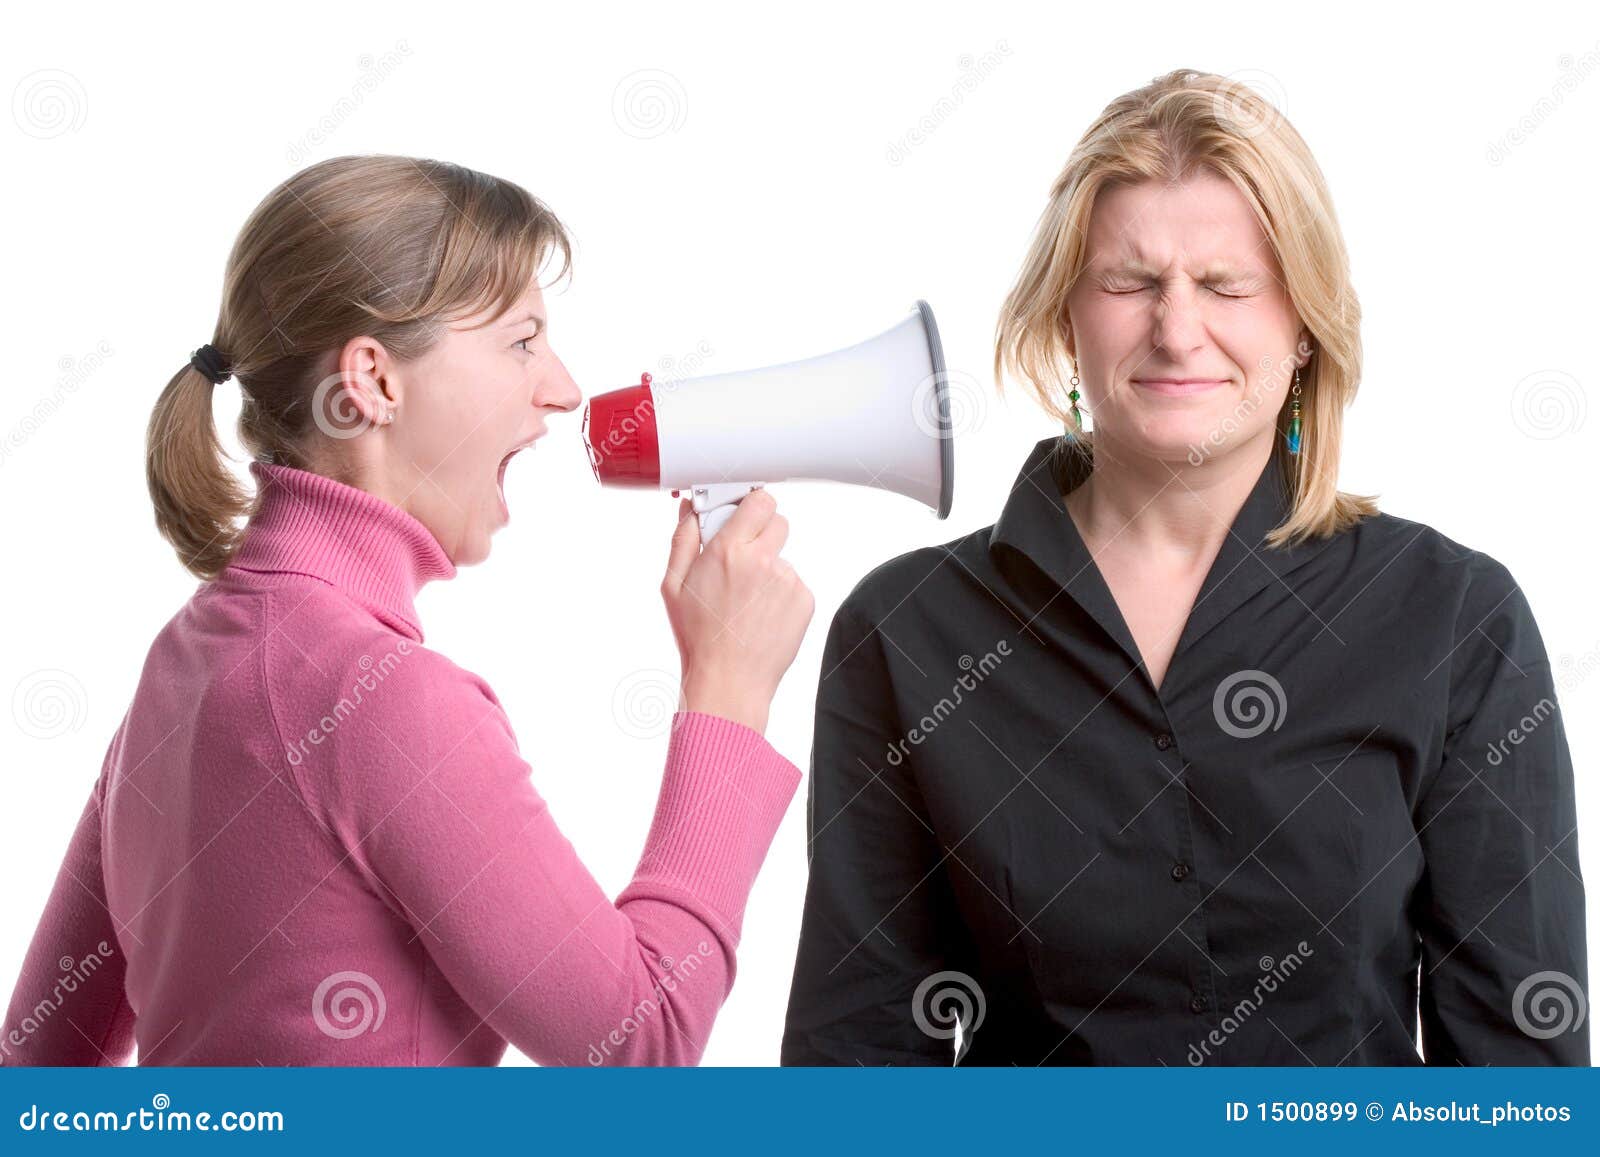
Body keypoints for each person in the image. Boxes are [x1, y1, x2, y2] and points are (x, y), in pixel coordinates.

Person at [782, 69, 1587, 1066]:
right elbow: (853, 1064)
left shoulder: (1454, 615)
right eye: (1128, 281)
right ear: (1064, 316)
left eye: (1224, 284)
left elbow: (1518, 1078)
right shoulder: (906, 629)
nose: (1174, 328)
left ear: (1302, 328)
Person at [3, 155, 814, 1066]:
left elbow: (37, 1065)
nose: (565, 387)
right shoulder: (380, 697)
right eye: (521, 341)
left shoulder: (182, 663)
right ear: (376, 382)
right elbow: (640, 1038)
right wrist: (728, 688)